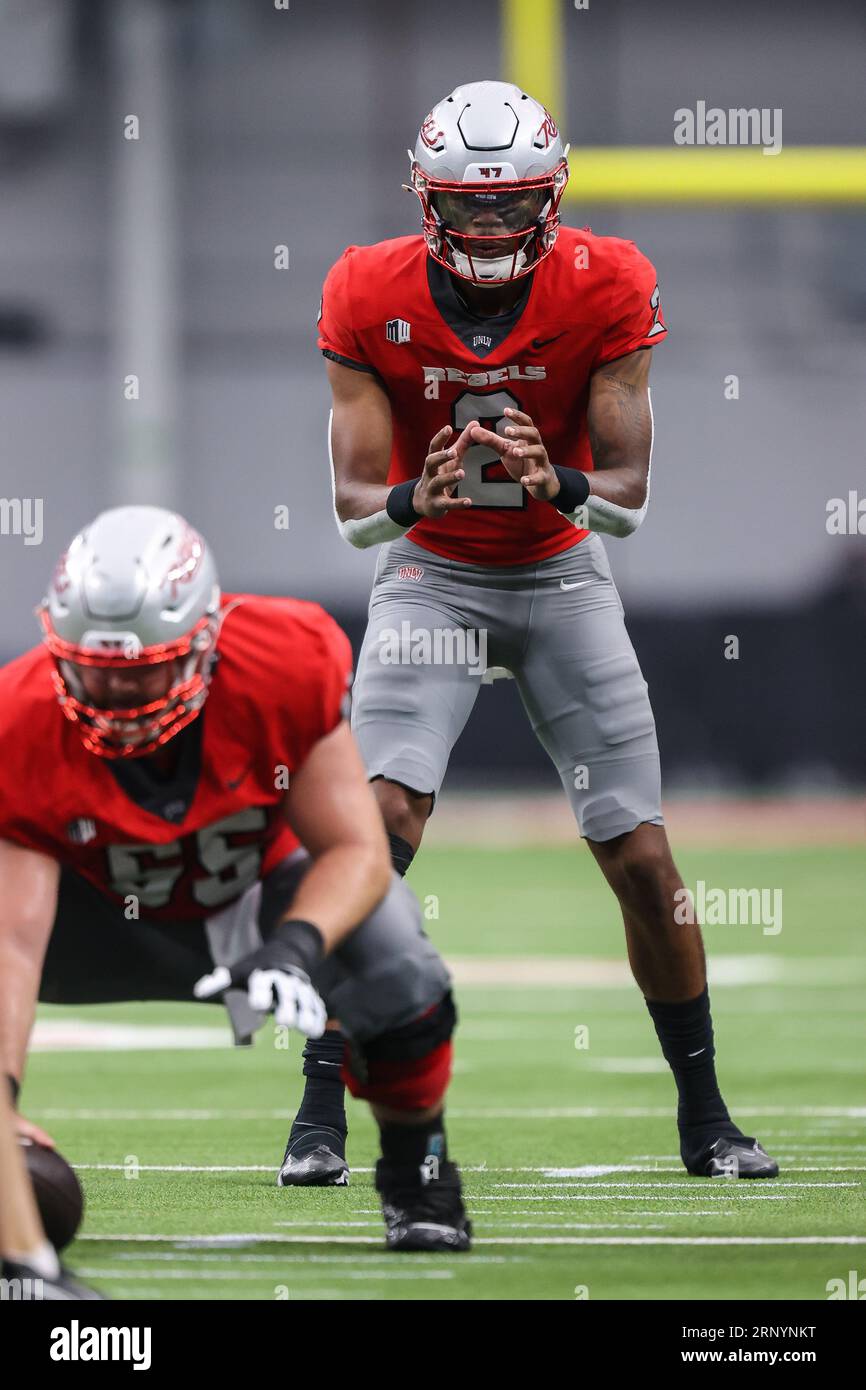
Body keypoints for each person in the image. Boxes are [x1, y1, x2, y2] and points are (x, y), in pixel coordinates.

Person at [293, 79, 778, 1184]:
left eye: (511, 205)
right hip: (430, 575)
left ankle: (704, 1119)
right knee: (372, 836)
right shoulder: (366, 290)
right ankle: (319, 1111)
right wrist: (417, 498)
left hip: (560, 573)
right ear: (426, 202)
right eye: (467, 207)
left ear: (550, 198)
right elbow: (358, 515)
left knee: (644, 859)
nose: (490, 228)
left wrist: (548, 478)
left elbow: (626, 500)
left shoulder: (606, 281)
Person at [0, 504, 470, 1251]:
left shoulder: (280, 661)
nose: (118, 704)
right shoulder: (20, 717)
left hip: (251, 894)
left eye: (144, 674)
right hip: (96, 921)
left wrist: (294, 946)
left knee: (399, 964)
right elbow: (15, 946)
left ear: (204, 643)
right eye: (96, 674)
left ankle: (418, 1177)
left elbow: (355, 851)